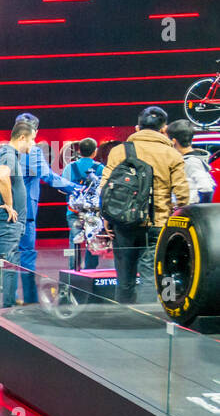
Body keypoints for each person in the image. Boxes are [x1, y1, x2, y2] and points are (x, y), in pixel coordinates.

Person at [99, 106, 189, 305]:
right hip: (158, 223)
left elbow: (105, 186)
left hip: (123, 222)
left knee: (124, 279)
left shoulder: (119, 151)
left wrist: (106, 217)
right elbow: (182, 193)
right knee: (152, 276)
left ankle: (123, 316)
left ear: (137, 128)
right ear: (164, 129)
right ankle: (149, 318)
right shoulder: (172, 154)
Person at [13, 113, 64, 304]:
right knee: (26, 254)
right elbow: (48, 176)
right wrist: (75, 188)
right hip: (25, 212)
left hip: (6, 210)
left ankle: (9, 297)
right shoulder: (32, 152)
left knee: (7, 256)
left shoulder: (4, 151)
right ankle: (30, 298)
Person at [0, 119, 35, 307]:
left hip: (9, 223)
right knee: (6, 266)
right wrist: (9, 204)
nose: (33, 144)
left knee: (8, 264)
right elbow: (2, 176)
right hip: (6, 221)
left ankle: (6, 305)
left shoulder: (8, 155)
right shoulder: (8, 154)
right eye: (31, 139)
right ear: (22, 137)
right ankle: (4, 309)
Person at [60, 138, 103, 270]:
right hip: (94, 213)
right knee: (93, 240)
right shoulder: (100, 168)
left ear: (79, 151)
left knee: (74, 241)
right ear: (95, 152)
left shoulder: (70, 167)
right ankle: (90, 271)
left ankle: (73, 271)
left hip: (74, 212)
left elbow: (62, 188)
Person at [167, 119, 215, 205]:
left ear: (173, 141)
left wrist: (198, 209)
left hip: (190, 208)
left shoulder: (191, 161)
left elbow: (206, 188)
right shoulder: (191, 160)